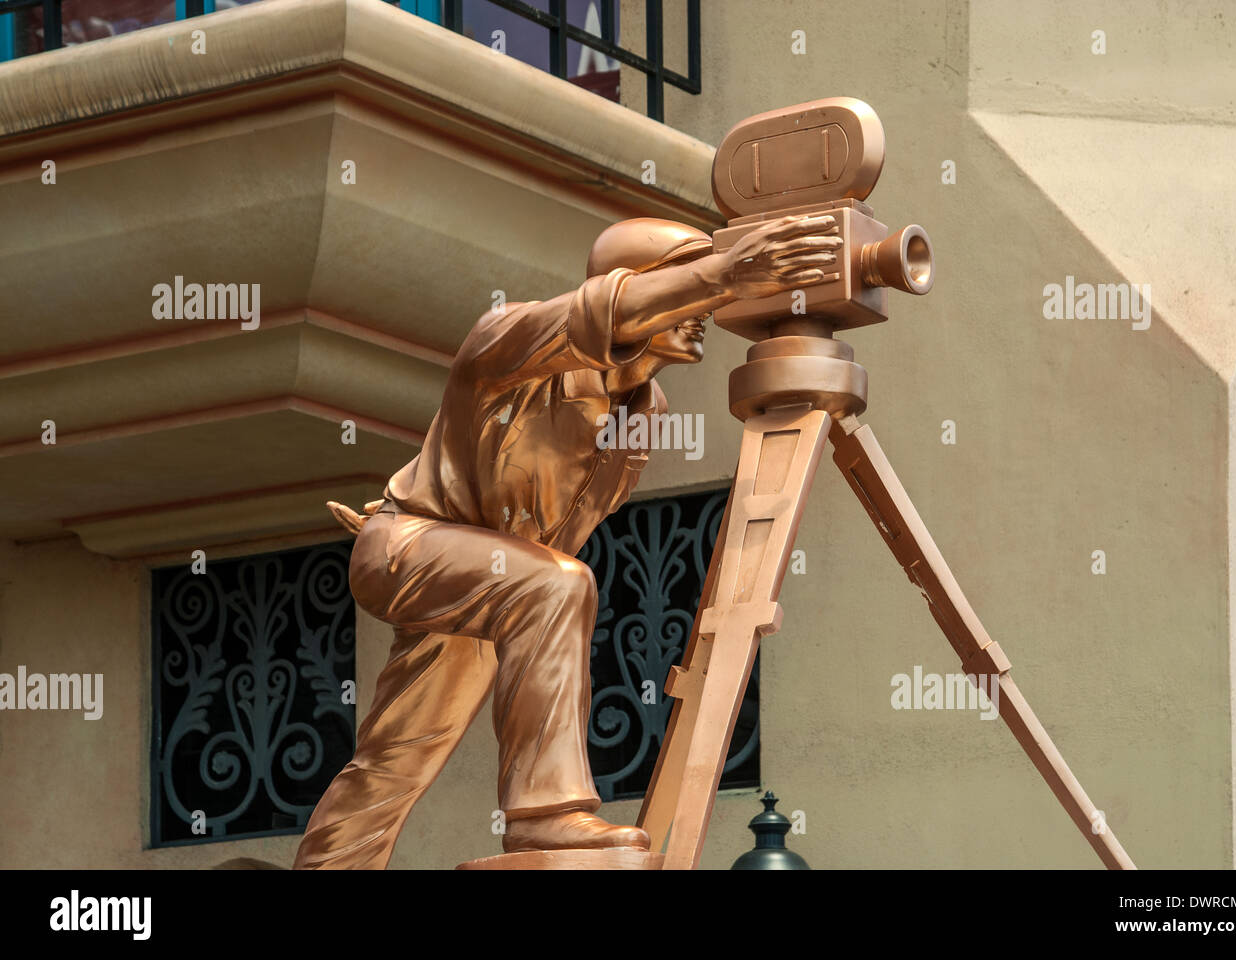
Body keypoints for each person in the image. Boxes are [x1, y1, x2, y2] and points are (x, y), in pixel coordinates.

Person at [293, 214, 841, 868]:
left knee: (390, 765)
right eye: (685, 287)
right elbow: (592, 317)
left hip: (496, 587)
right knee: (559, 581)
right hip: (410, 546)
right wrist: (722, 272)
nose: (705, 306)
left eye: (707, 293)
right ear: (628, 290)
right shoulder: (509, 342)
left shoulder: (646, 409)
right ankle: (545, 817)